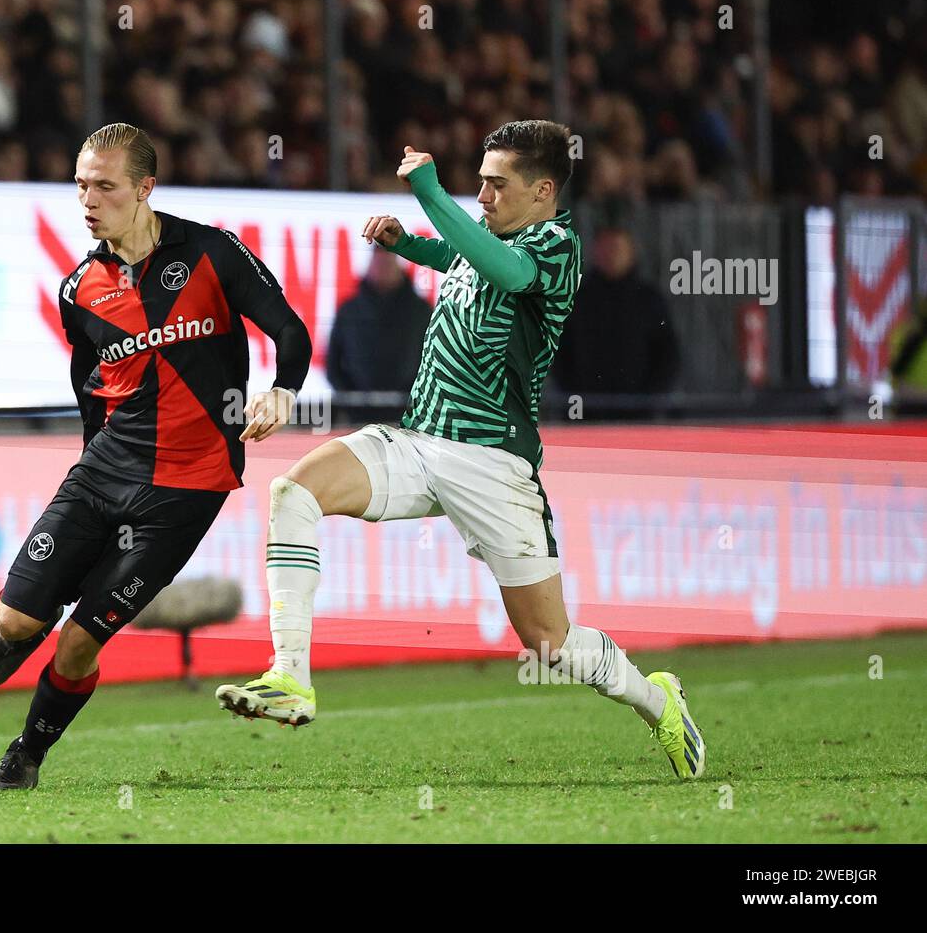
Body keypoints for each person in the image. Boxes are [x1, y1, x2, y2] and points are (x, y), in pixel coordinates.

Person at [215, 120, 706, 780]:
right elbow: (462, 257)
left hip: (494, 463)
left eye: (496, 185)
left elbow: (501, 268)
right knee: (294, 491)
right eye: (478, 183)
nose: (482, 196)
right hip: (419, 439)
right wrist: (409, 244)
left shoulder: (558, 246)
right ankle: (291, 679)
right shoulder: (488, 239)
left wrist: (430, 195)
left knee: (549, 646)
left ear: (543, 191)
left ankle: (656, 698)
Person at [0, 123, 312, 791]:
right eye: (80, 186)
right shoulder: (78, 293)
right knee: (14, 619)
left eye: (104, 186)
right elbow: (89, 392)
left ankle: (24, 758)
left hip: (184, 492)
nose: (89, 201)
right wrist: (87, 471)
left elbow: (290, 330)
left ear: (145, 189)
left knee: (78, 642)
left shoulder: (212, 253)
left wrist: (282, 391)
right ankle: (27, 624)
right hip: (102, 473)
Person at [552, 225, 680, 401]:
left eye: (617, 248)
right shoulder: (577, 299)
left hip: (638, 412)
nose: (611, 254)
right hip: (586, 411)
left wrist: (650, 399)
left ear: (631, 252)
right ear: (595, 252)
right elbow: (559, 351)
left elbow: (667, 354)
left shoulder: (648, 298)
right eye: (605, 248)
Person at [326, 246, 433, 422]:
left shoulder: (421, 311)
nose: (383, 268)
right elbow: (333, 363)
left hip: (408, 414)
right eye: (379, 262)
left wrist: (416, 399)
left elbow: (433, 359)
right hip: (358, 414)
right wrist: (350, 401)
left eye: (388, 262)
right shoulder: (349, 310)